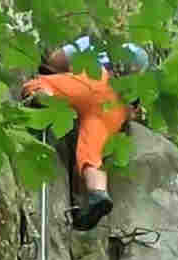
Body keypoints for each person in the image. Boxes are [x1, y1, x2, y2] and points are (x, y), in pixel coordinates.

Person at [22, 37, 151, 230]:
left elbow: (55, 61)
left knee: (41, 83)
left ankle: (43, 94)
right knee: (92, 152)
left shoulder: (93, 45)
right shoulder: (139, 83)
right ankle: (97, 192)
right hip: (117, 109)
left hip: (97, 82)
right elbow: (134, 113)